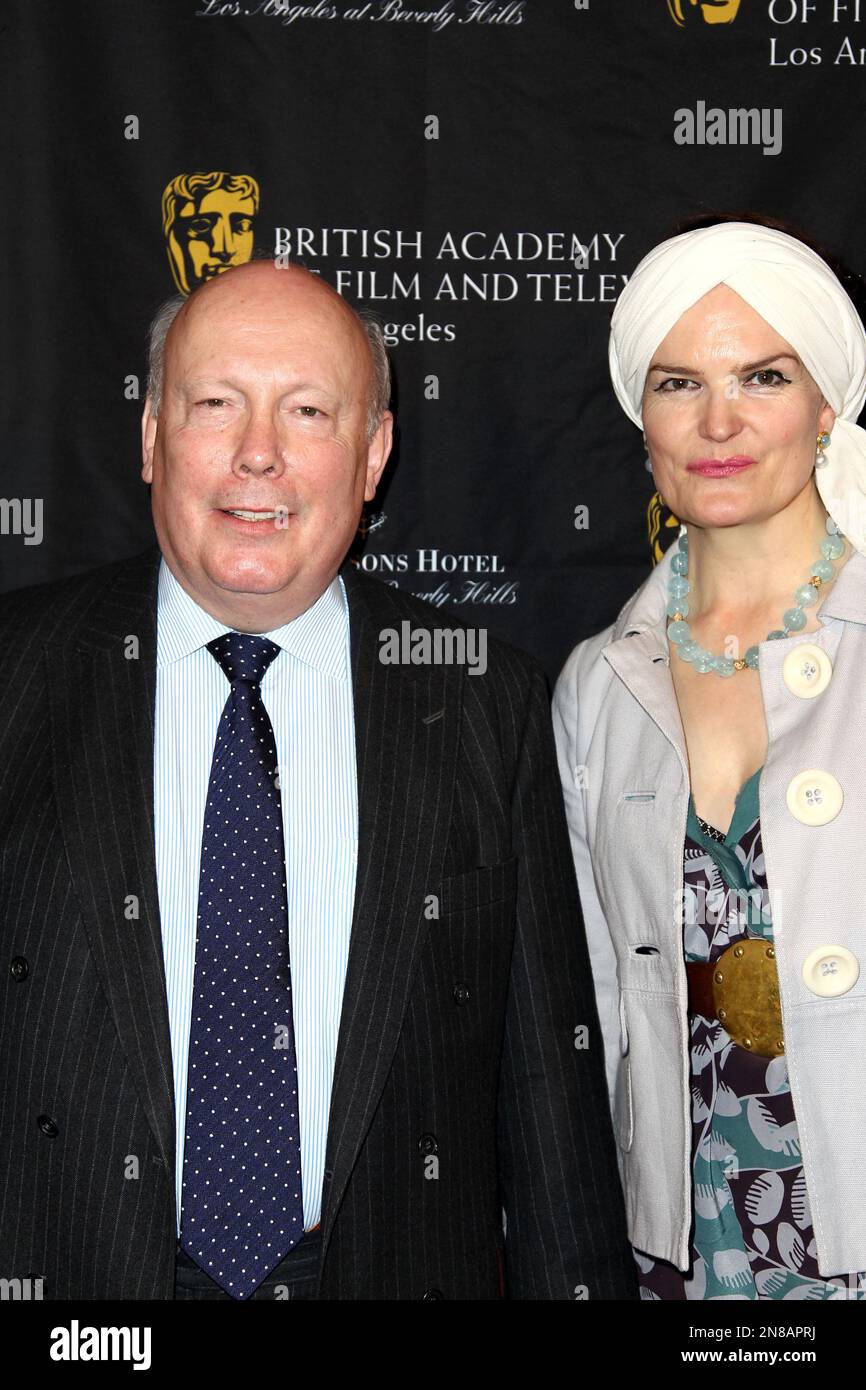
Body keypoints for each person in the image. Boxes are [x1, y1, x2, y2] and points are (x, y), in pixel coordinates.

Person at [0, 258, 636, 1300]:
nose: (259, 455)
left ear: (374, 452)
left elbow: (549, 1115)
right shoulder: (14, 679)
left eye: (306, 410)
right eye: (216, 405)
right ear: (152, 435)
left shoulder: (487, 705)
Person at [553, 218, 866, 1300]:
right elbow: (593, 999)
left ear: (827, 403)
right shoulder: (598, 682)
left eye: (761, 376)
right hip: (683, 1246)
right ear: (641, 417)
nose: (717, 421)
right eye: (678, 382)